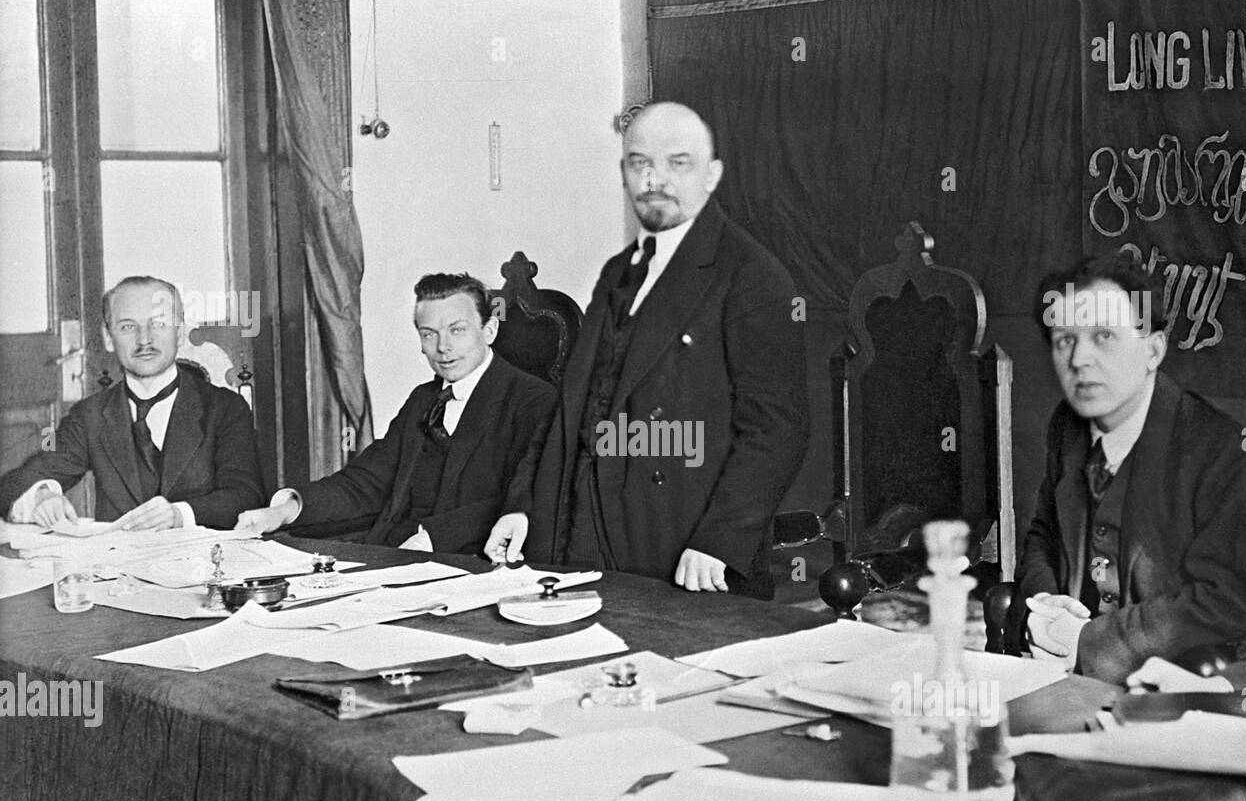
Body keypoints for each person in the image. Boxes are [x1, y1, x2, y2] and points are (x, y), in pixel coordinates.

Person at [484, 101, 808, 598]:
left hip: (680, 545)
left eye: (678, 163)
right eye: (640, 164)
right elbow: (568, 408)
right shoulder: (619, 272)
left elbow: (776, 429)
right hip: (576, 534)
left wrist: (721, 538)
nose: (656, 179)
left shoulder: (751, 276)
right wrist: (522, 504)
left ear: (711, 174)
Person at [1012, 253, 1246, 683]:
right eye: (1064, 340)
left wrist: (1090, 642)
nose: (1079, 360)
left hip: (1178, 698)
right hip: (1072, 684)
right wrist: (1044, 605)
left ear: (1153, 349)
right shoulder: (1067, 428)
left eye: (1104, 335)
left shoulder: (1221, 451)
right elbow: (1043, 534)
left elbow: (1242, 600)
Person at [236, 273, 556, 554]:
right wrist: (286, 510)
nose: (442, 347)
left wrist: (432, 538)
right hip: (394, 556)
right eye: (429, 333)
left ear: (489, 330)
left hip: (471, 565)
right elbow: (366, 481)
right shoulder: (423, 400)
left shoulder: (534, 401)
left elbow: (527, 497)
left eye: (457, 330)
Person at [0, 276, 263, 530]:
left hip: (202, 567)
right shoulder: (88, 416)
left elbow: (246, 494)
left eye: (158, 324)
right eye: (128, 326)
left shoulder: (226, 408)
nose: (144, 339)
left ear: (180, 333)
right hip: (118, 570)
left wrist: (178, 514)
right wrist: (41, 496)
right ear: (107, 337)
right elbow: (14, 482)